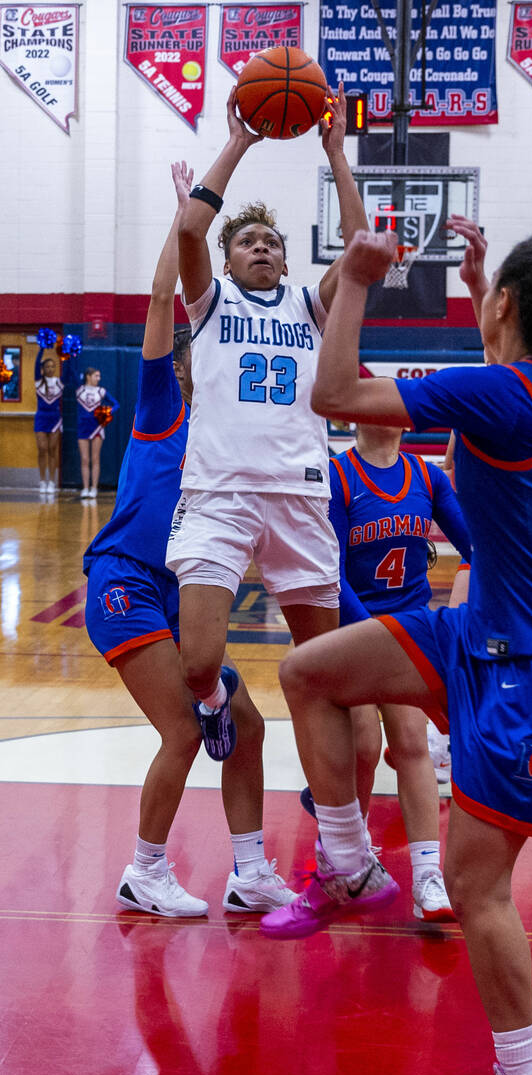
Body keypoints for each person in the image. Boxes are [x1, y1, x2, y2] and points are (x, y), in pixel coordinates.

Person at [263, 219, 532, 1075]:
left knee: (478, 888)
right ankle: (351, 863)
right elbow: (492, 357)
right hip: (481, 634)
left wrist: (354, 281)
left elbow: (336, 392)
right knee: (309, 673)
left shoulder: (507, 395)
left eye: (490, 298)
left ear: (511, 309)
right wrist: (481, 275)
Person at [83, 162, 295, 918]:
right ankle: (144, 871)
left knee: (248, 725)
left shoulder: (241, 435)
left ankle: (248, 871)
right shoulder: (164, 410)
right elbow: (158, 300)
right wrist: (188, 225)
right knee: (182, 728)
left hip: (181, 603)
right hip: (127, 585)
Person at [165, 82, 371, 768]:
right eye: (247, 241)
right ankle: (218, 699)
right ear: (228, 260)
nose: (260, 247)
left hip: (299, 493)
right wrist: (241, 141)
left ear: (286, 258)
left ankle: (342, 832)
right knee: (197, 662)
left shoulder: (311, 307)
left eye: (271, 242)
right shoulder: (210, 302)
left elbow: (362, 247)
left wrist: (336, 155)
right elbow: (190, 229)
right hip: (219, 492)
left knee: (323, 670)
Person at [302, 423, 472, 920]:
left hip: (409, 629)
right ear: (353, 417)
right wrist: (372, 634)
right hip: (351, 627)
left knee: (412, 744)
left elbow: (475, 543)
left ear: (405, 421)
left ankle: (427, 877)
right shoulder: (338, 475)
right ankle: (347, 860)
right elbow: (328, 567)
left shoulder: (427, 476)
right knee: (362, 749)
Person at [76, 366, 118, 498]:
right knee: (84, 459)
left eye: (99, 376)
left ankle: (94, 488)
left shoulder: (101, 391)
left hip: (97, 428)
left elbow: (116, 404)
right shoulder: (79, 390)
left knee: (95, 458)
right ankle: (85, 488)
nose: (98, 379)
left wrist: (106, 412)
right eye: (96, 376)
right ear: (88, 376)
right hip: (83, 427)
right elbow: (71, 373)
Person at [34, 349, 64, 497]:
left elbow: (70, 370)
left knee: (52, 449)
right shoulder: (38, 382)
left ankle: (52, 481)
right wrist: (42, 348)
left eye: (53, 366)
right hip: (41, 417)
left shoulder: (59, 382)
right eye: (48, 366)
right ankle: (42, 480)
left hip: (55, 418)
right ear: (43, 369)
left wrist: (67, 355)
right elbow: (35, 364)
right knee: (42, 448)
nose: (50, 369)